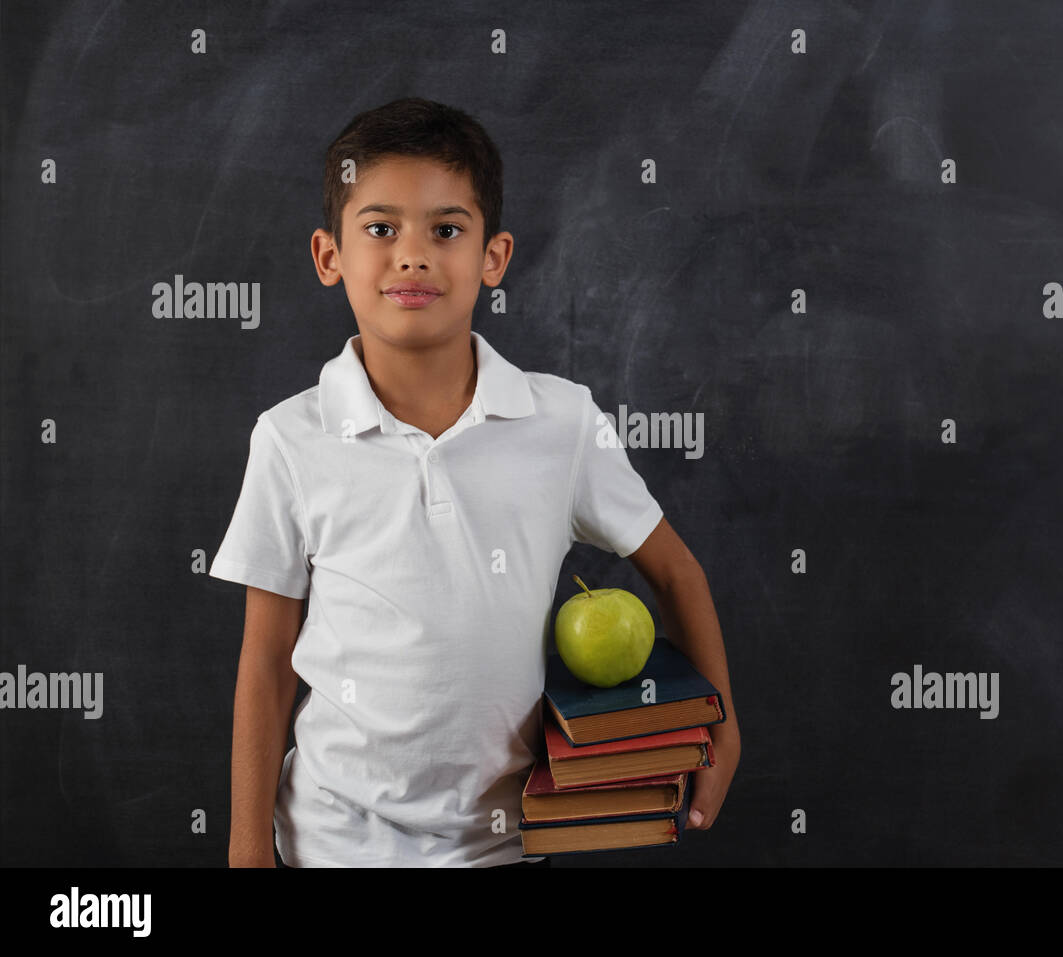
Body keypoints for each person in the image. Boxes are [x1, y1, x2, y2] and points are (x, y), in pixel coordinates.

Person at [213, 97, 739, 867]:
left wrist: (719, 724)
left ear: (494, 257)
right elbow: (264, 658)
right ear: (330, 256)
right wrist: (245, 848)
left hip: (504, 846)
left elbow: (675, 569)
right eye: (381, 228)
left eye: (448, 230)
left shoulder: (560, 422)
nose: (413, 255)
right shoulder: (292, 438)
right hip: (328, 842)